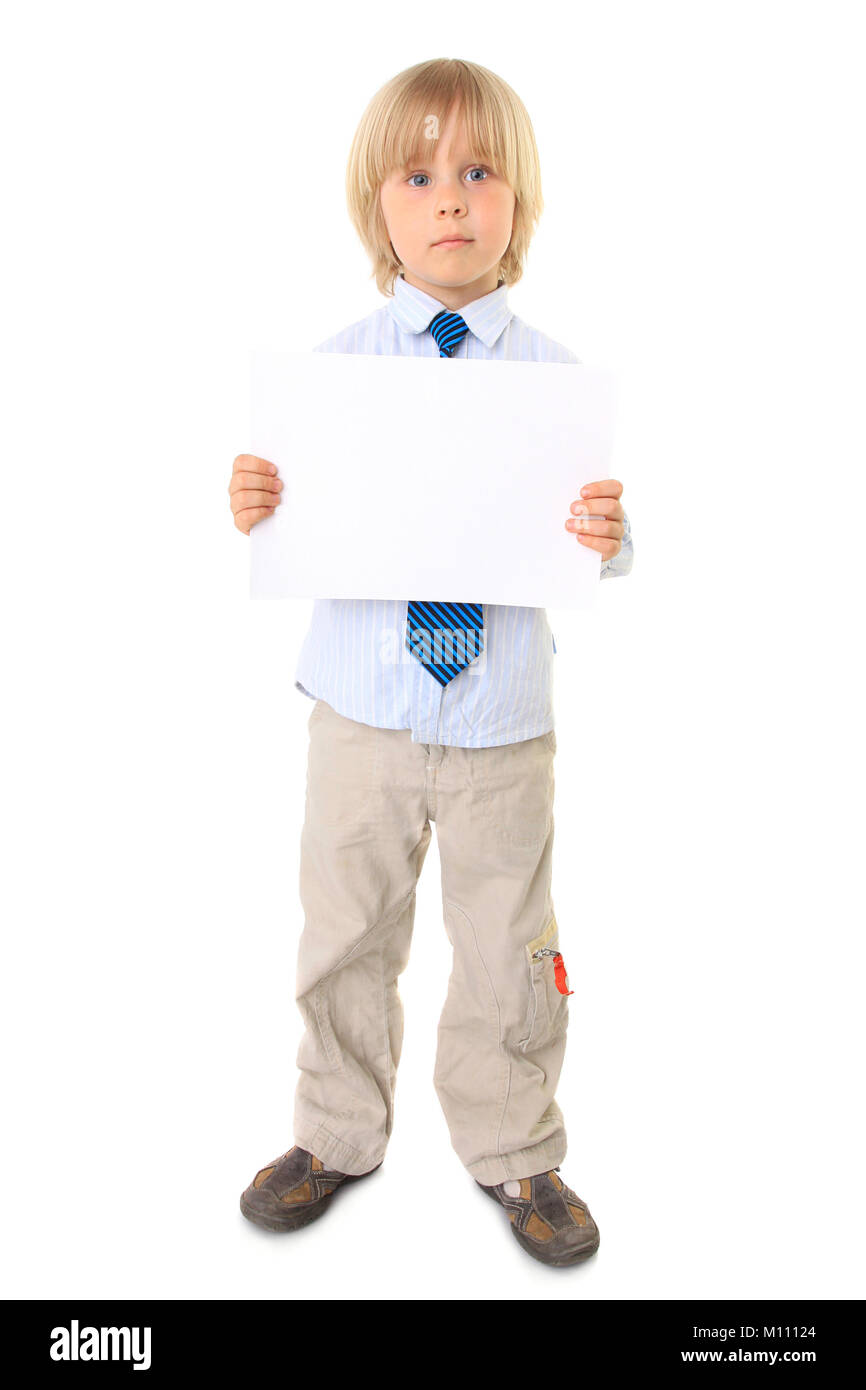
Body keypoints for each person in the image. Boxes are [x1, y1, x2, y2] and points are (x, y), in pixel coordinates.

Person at [229, 57, 633, 1268]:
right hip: (359, 706)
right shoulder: (331, 374)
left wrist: (610, 535)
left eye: (476, 171)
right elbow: (287, 513)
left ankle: (516, 1147)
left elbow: (594, 544)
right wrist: (258, 497)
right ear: (378, 209)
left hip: (501, 715)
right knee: (344, 928)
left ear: (519, 203)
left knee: (510, 938)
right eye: (418, 176)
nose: (450, 199)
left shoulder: (557, 384)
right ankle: (336, 1129)